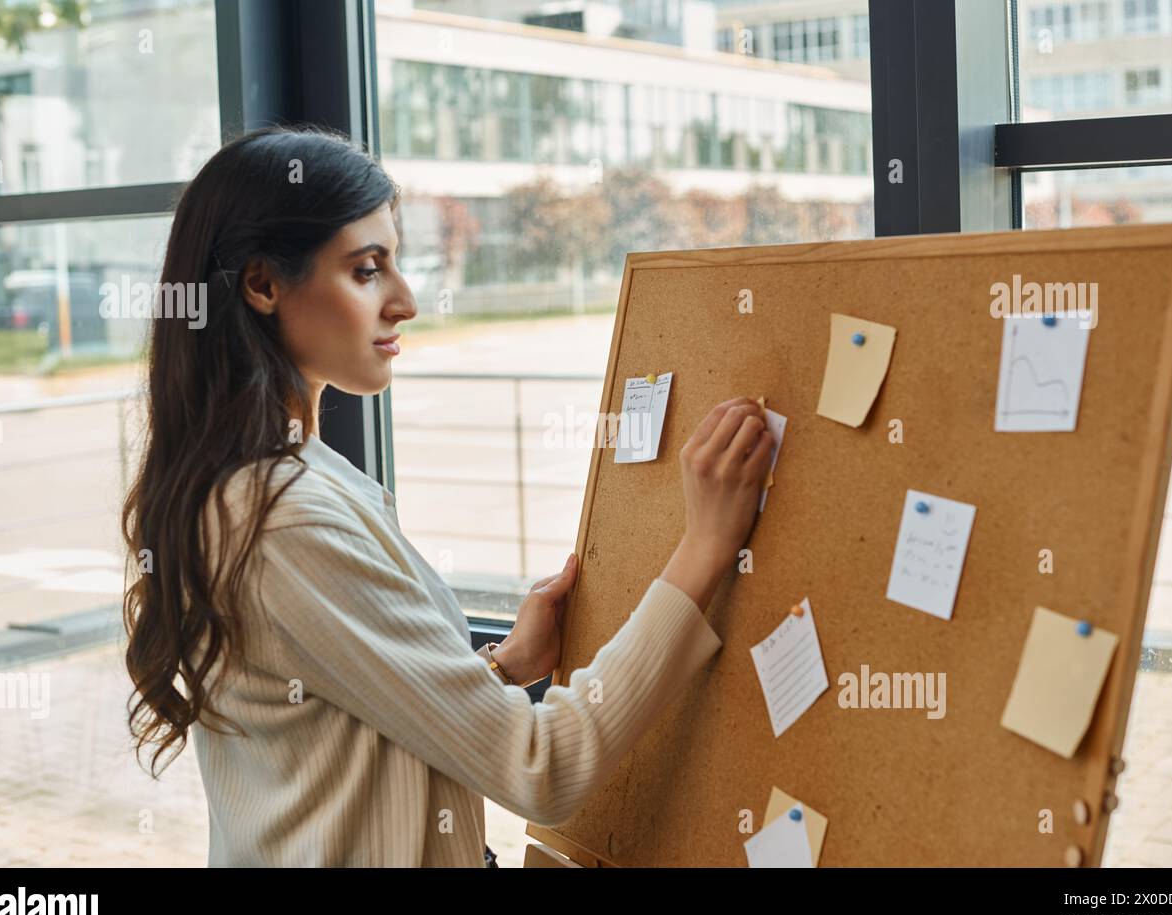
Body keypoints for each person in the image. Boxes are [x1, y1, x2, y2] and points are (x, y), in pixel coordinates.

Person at [122, 126, 773, 866]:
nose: (405, 300)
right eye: (368, 270)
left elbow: (346, 713)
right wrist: (706, 546)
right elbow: (541, 765)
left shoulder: (266, 479)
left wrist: (495, 669)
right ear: (265, 285)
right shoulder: (280, 519)